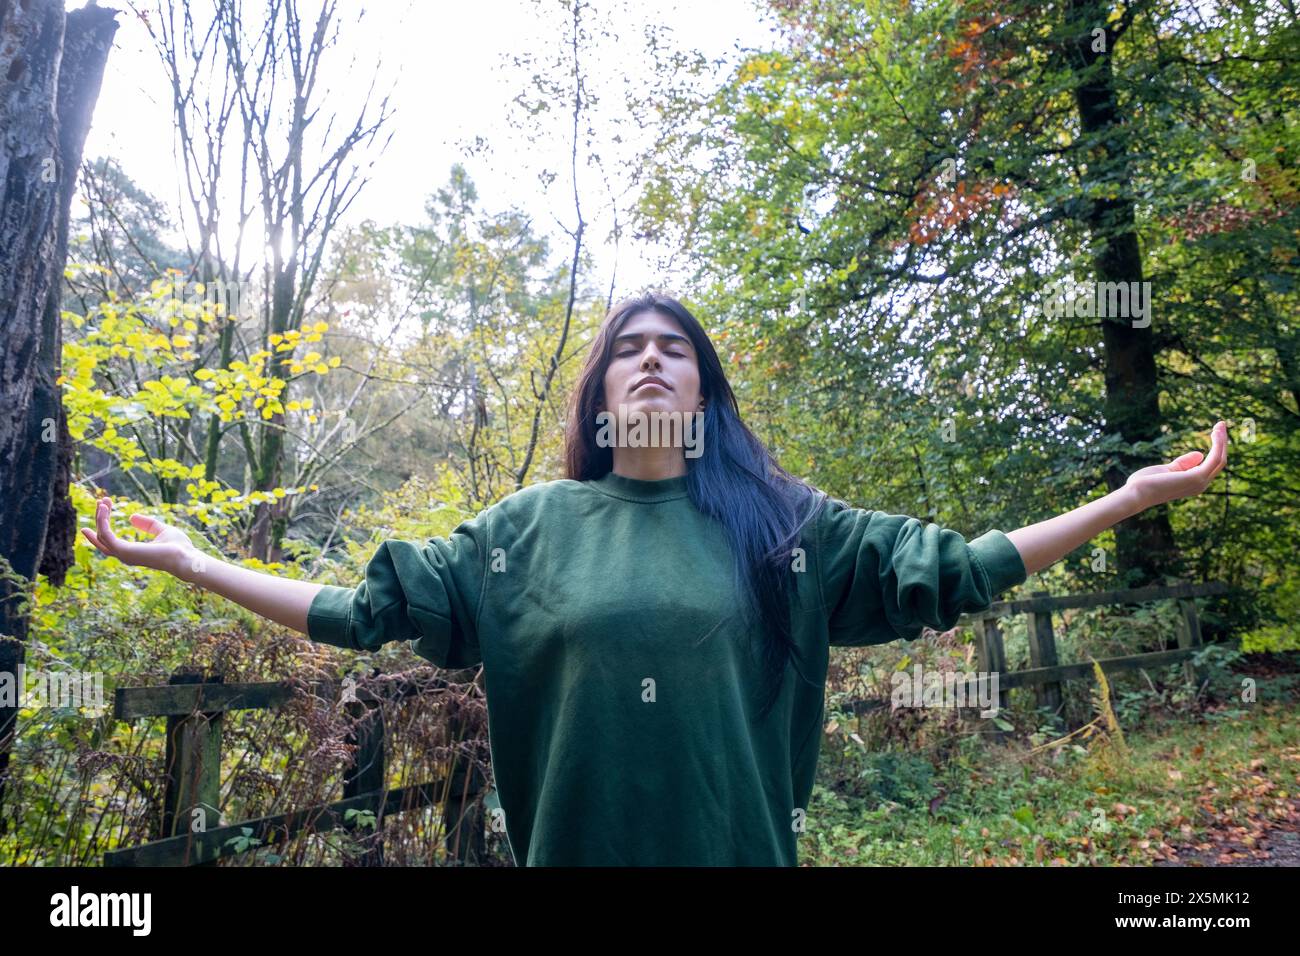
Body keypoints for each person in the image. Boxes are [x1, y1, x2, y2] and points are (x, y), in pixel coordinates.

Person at [82, 292, 1229, 866]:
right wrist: (193, 561)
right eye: (626, 347)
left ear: (704, 390)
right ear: (595, 394)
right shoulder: (523, 531)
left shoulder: (783, 523)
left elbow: (957, 570)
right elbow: (358, 611)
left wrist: (1124, 499)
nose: (647, 359)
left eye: (671, 345)